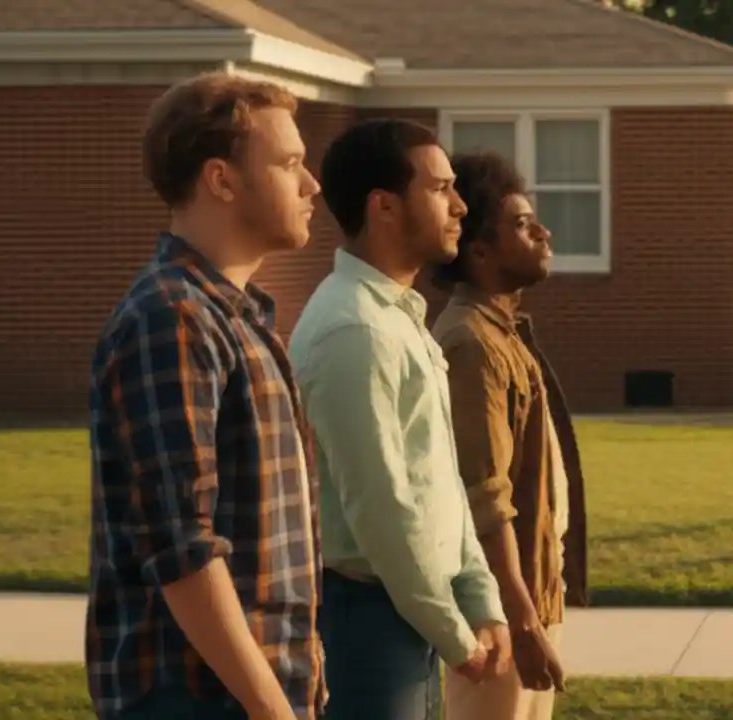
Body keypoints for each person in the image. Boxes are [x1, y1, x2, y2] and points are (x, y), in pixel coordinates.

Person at [86, 72, 323, 720]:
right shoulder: (172, 320)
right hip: (197, 702)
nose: (312, 185)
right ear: (221, 180)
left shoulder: (237, 318)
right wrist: (272, 709)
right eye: (291, 164)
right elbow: (183, 549)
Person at [287, 119, 511, 720]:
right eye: (440, 189)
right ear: (384, 206)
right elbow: (381, 507)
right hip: (368, 622)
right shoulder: (353, 330)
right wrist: (453, 632)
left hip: (409, 613)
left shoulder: (397, 318)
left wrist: (480, 599)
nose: (460, 205)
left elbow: (439, 481)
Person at [432, 151, 590, 720]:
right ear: (478, 251)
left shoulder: (502, 334)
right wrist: (520, 622)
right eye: (523, 226)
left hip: (523, 606)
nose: (543, 233)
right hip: (493, 619)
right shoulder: (471, 345)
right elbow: (484, 497)